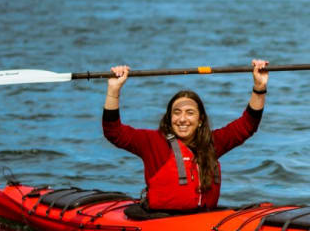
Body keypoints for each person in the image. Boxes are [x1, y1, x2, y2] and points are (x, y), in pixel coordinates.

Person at [103, 59, 269, 211]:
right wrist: (114, 90)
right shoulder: (152, 142)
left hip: (202, 220)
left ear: (200, 120)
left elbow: (247, 125)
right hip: (161, 220)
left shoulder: (213, 143)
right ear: (169, 118)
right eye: (177, 113)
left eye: (189, 113)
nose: (182, 119)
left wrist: (259, 88)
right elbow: (114, 132)